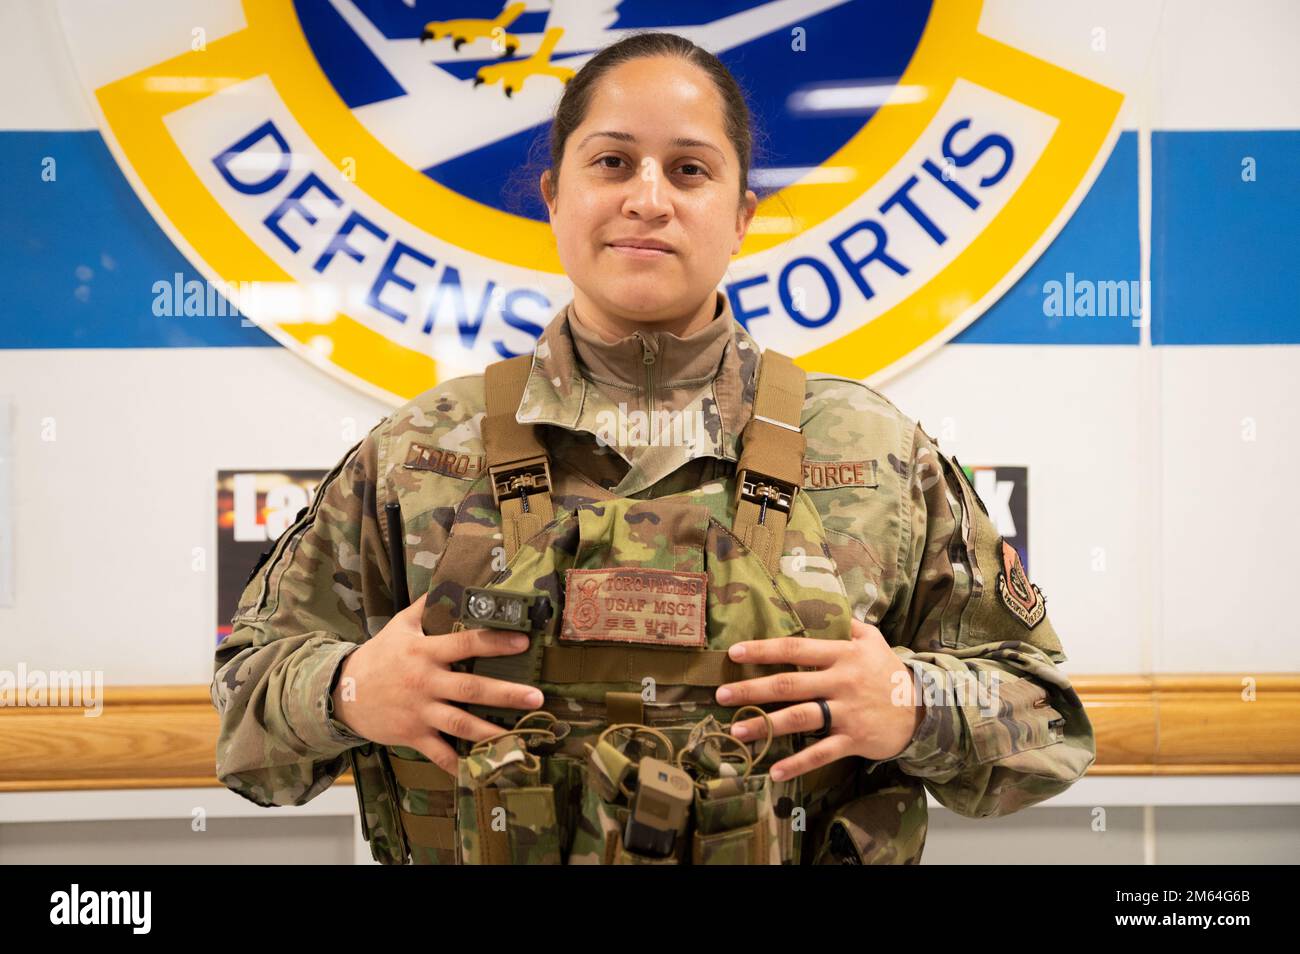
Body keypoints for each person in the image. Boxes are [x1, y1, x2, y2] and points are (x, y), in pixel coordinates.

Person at [211, 31, 1095, 865]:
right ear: (554, 195)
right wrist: (350, 691)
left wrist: (908, 705)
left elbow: (1049, 728)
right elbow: (244, 717)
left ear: (742, 214)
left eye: (689, 170)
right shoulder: (421, 451)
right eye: (611, 162)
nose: (647, 197)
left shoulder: (871, 453)